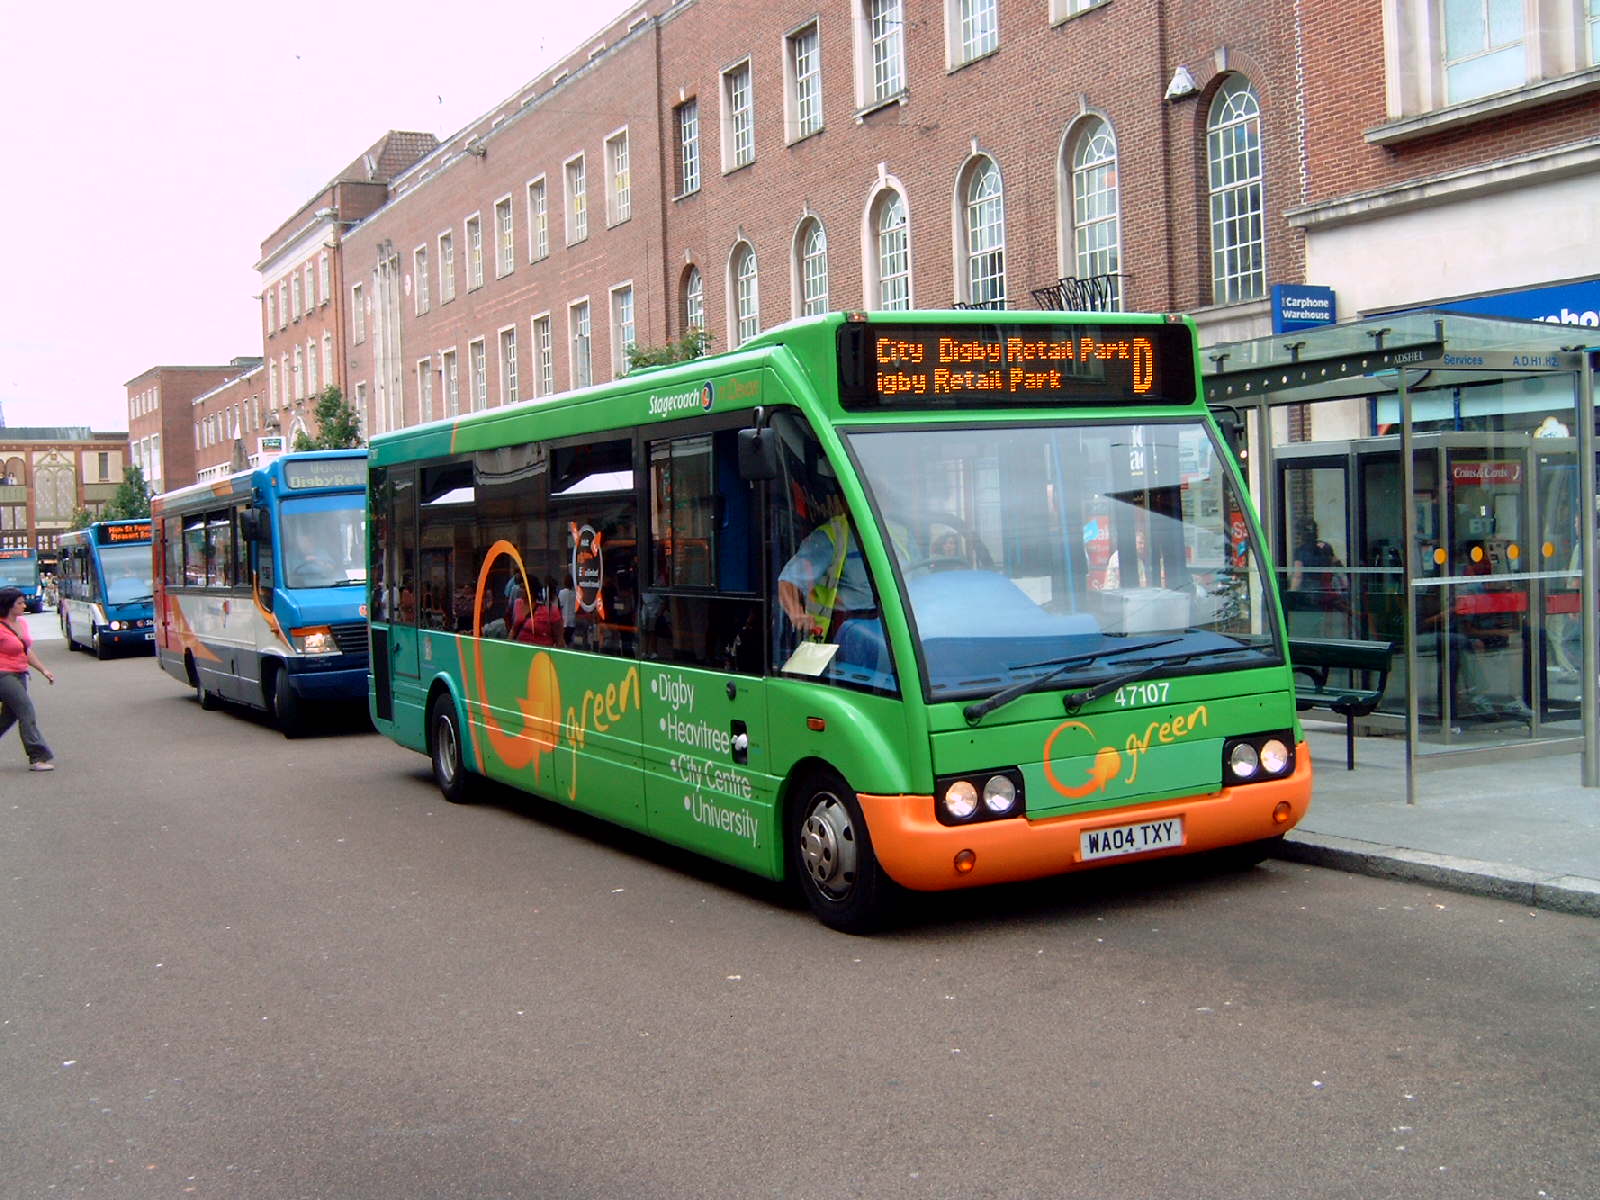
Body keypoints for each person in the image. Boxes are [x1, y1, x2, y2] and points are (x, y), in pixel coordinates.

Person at [0, 587, 56, 772]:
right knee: (26, 710)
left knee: (9, 717)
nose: (24, 605)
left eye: (24, 602)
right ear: (8, 605)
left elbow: (26, 651)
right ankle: (37, 757)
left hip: (20, 673)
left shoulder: (22, 623)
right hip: (3, 674)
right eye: (20, 603)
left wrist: (43, 670)